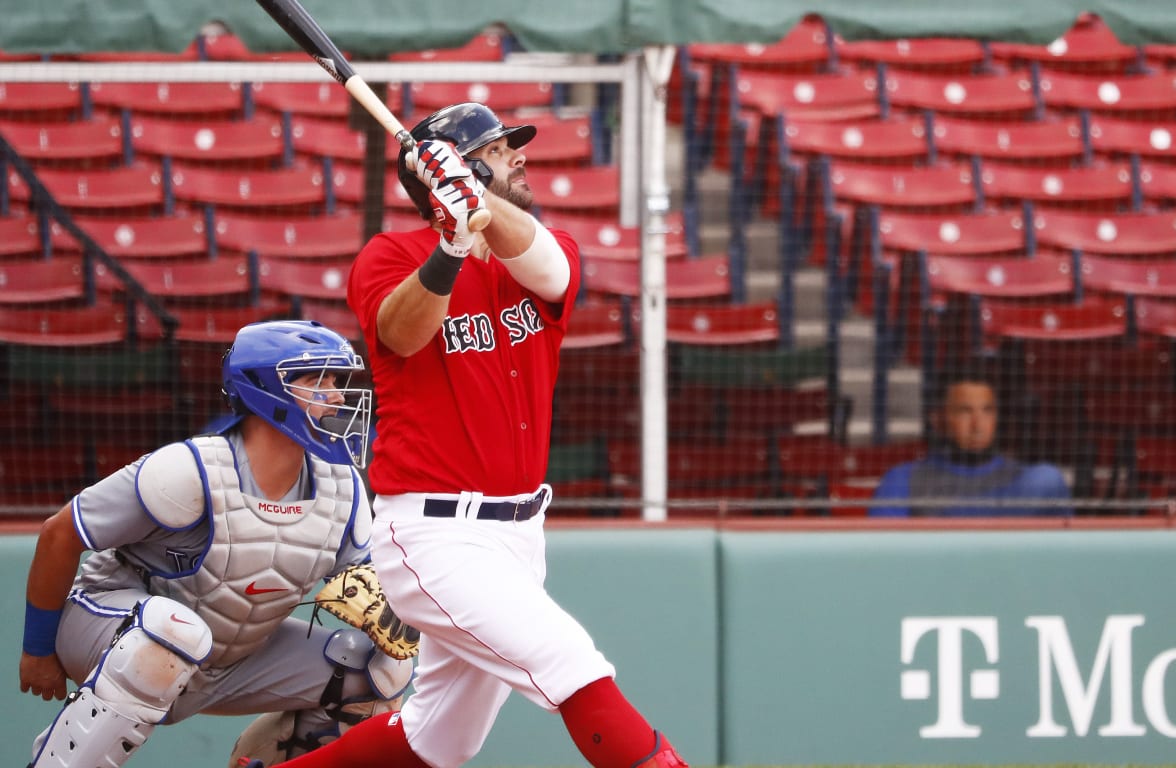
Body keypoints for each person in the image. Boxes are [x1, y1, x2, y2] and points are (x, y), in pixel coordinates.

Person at [242, 103, 687, 768]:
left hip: (518, 534)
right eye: (503, 150)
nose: (521, 158)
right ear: (461, 164)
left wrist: (474, 193)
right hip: (433, 531)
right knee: (571, 664)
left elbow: (555, 273)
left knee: (439, 738)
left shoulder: (540, 250)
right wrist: (449, 249)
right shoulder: (390, 255)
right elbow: (399, 333)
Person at [20, 320, 413, 768]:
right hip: (110, 628)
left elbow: (365, 585)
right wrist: (37, 650)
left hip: (232, 656)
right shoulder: (188, 472)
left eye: (337, 381)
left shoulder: (342, 488)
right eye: (318, 380)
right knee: (170, 632)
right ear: (269, 390)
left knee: (375, 671)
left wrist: (398, 610)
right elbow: (59, 533)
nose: (339, 396)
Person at [870, 366, 1071, 516]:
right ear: (938, 420)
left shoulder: (1037, 484)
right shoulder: (903, 481)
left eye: (987, 411)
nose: (977, 425)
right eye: (964, 411)